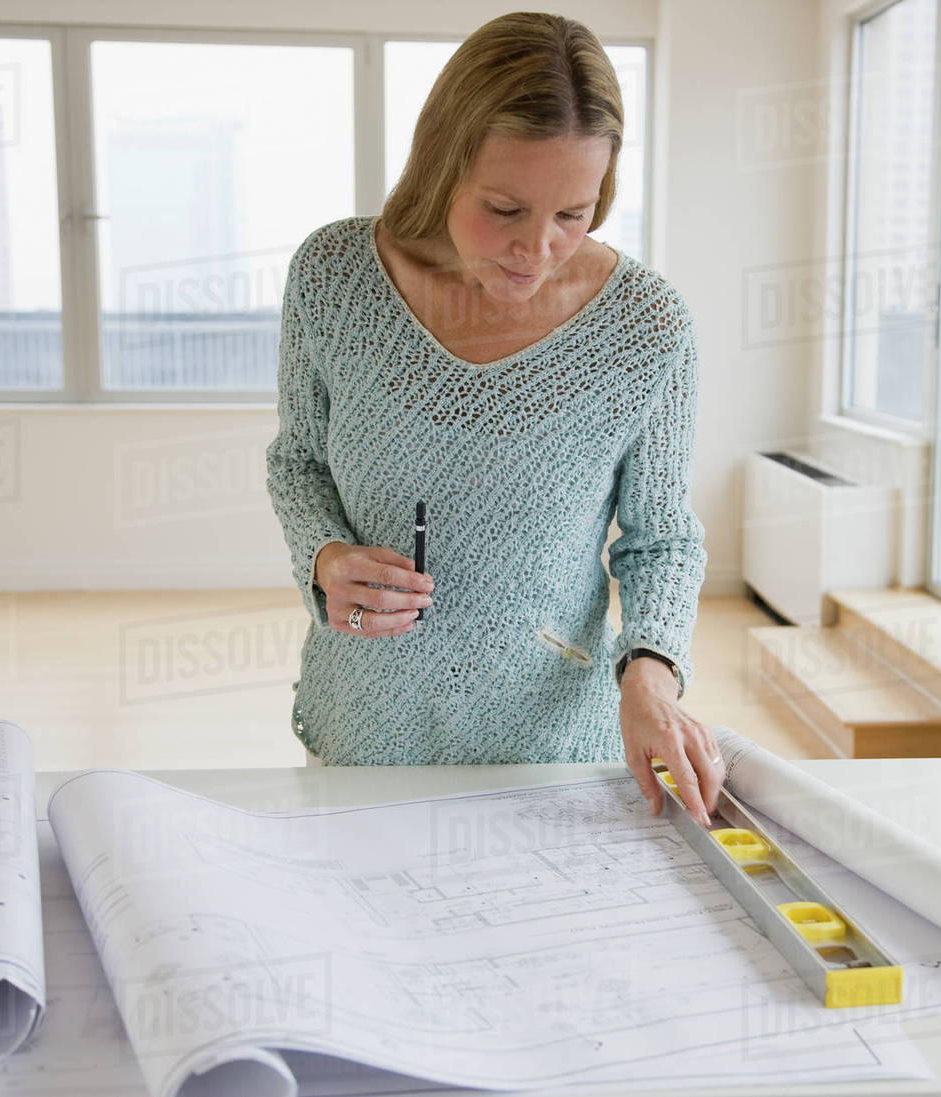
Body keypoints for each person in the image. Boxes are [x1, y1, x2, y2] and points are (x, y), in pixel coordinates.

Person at [265, 11, 720, 825]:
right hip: (364, 725)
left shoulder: (647, 325)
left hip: (553, 748)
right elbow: (299, 462)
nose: (536, 250)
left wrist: (650, 670)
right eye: (505, 209)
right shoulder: (332, 277)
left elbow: (663, 538)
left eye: (573, 214)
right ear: (442, 165)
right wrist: (324, 559)